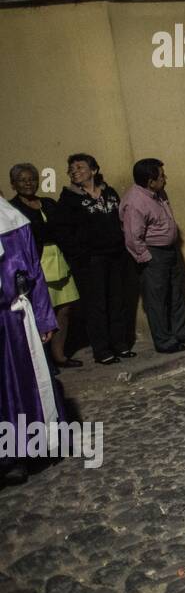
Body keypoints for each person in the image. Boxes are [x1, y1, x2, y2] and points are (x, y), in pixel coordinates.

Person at [0, 196, 68, 477]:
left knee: (18, 385)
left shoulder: (13, 223)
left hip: (13, 320)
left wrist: (43, 319)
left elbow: (34, 272)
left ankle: (21, 453)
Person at [52, 154, 135, 365]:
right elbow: (63, 233)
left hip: (115, 256)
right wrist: (81, 255)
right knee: (96, 305)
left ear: (94, 170)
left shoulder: (109, 192)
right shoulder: (68, 200)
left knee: (117, 300)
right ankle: (102, 350)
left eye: (80, 167)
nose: (74, 171)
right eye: (71, 168)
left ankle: (121, 345)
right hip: (90, 262)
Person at [120, 158, 185, 355]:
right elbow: (132, 237)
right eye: (161, 176)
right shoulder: (135, 202)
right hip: (153, 253)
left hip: (170, 250)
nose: (165, 179)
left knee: (176, 293)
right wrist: (146, 258)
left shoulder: (158, 193)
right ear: (150, 181)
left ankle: (181, 333)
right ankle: (164, 341)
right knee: (156, 299)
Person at [9, 163, 81, 367]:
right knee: (41, 311)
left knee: (65, 308)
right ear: (13, 184)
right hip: (35, 262)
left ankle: (60, 355)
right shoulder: (12, 208)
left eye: (32, 178)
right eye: (22, 180)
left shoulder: (48, 203)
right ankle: (44, 361)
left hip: (58, 258)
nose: (28, 183)